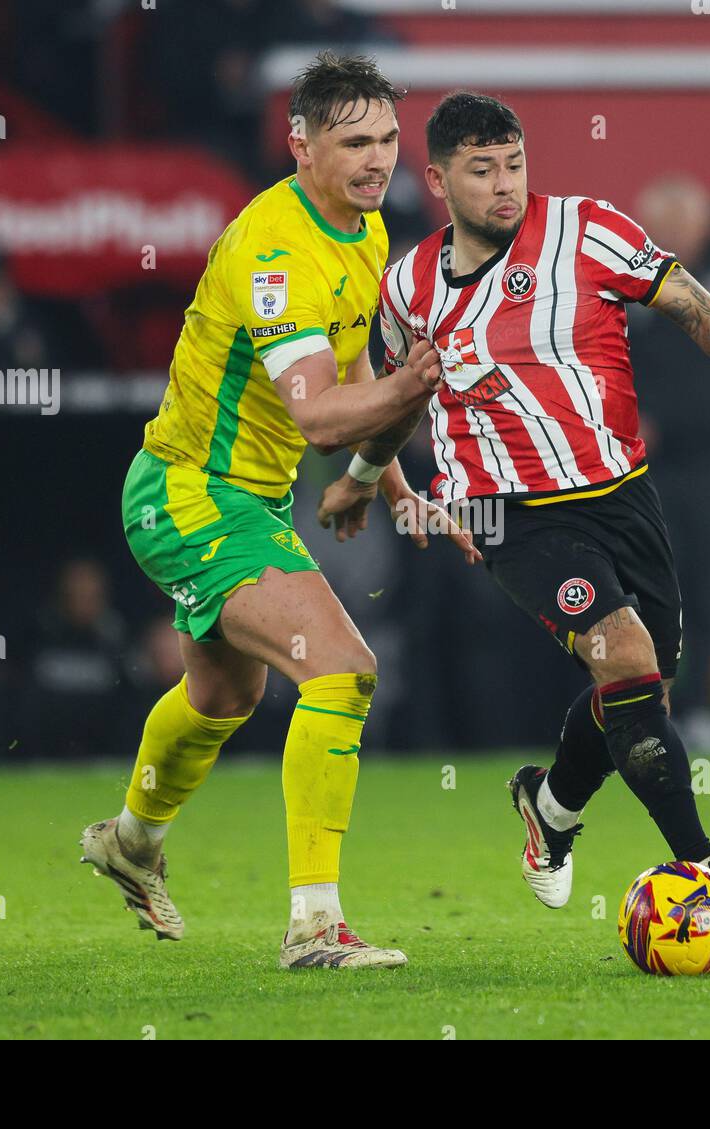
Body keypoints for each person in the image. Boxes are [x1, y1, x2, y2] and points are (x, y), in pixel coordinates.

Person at [318, 92, 710, 930]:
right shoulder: (409, 285)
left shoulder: (586, 230)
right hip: (509, 515)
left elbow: (697, 307)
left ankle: (552, 802)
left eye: (515, 165)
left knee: (644, 686)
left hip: (624, 495)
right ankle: (704, 866)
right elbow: (394, 398)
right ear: (439, 178)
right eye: (482, 170)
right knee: (626, 654)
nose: (505, 186)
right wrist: (375, 478)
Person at [80, 52, 476, 970]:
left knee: (225, 695)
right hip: (188, 494)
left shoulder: (364, 231)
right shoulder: (275, 249)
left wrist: (396, 484)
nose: (377, 160)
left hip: (242, 497)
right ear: (299, 144)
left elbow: (357, 386)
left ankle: (129, 842)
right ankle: (314, 928)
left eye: (386, 139)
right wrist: (417, 381)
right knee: (341, 669)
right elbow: (315, 412)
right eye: (353, 143)